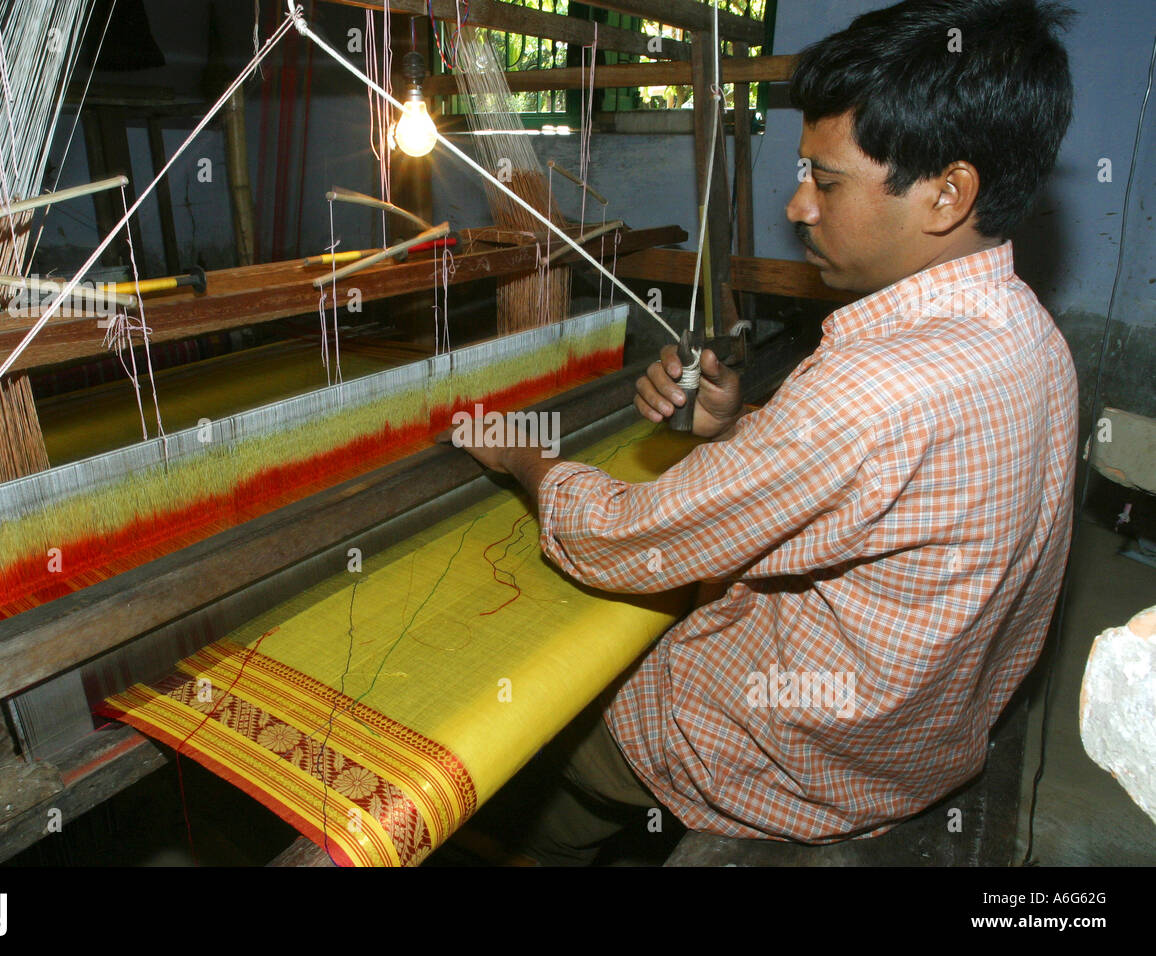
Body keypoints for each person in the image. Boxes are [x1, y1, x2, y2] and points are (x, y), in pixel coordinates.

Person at [450, 0, 1078, 865]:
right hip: (924, 743)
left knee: (515, 726)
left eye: (827, 180)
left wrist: (525, 455)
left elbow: (624, 541)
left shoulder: (875, 388)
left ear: (949, 192)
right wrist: (734, 428)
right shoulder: (1032, 338)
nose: (798, 205)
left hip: (795, 761)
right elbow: (872, 494)